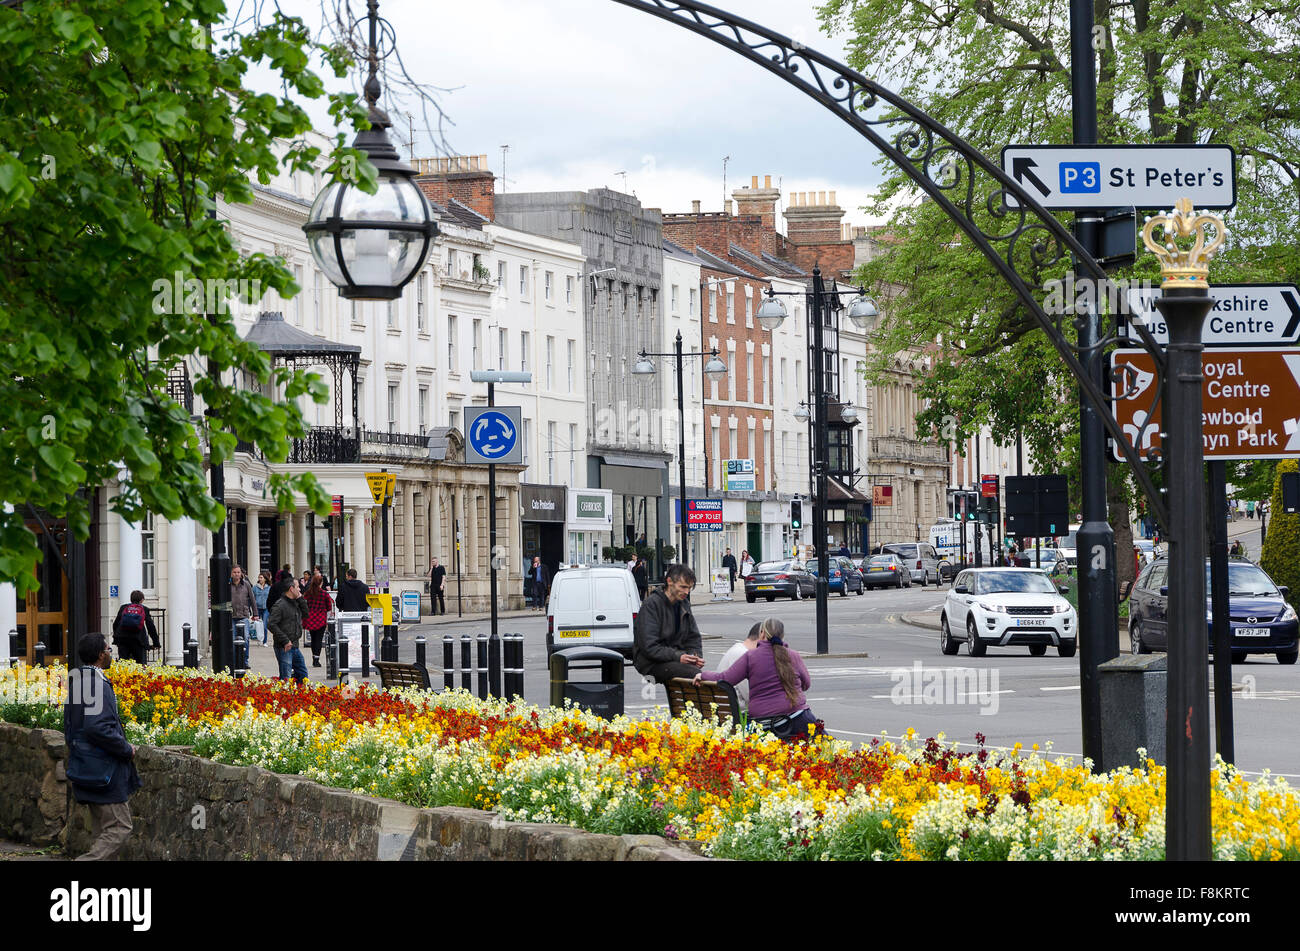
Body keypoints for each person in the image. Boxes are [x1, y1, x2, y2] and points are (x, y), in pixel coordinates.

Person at [64, 632, 142, 860]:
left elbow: (70, 727)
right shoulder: (97, 684)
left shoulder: (78, 681)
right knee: (119, 829)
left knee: (102, 834)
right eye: (108, 650)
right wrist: (126, 749)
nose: (111, 653)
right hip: (104, 771)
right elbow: (97, 727)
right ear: (100, 655)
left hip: (85, 767)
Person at [696, 617, 822, 742]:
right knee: (827, 742)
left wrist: (702, 675)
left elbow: (725, 678)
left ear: (762, 633)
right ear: (782, 636)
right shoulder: (793, 655)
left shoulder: (751, 657)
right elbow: (806, 684)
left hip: (762, 722)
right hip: (796, 718)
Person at [633, 563, 705, 684]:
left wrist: (694, 656)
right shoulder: (652, 604)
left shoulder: (684, 604)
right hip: (651, 663)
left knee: (696, 674)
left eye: (689, 588)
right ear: (669, 581)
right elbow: (649, 646)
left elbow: (693, 638)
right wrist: (678, 657)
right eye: (683, 587)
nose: (687, 592)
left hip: (674, 659)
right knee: (695, 676)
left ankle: (686, 703)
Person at [268, 576, 309, 683]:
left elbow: (306, 613)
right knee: (286, 677)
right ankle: (286, 697)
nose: (300, 589)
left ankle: (300, 697)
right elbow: (271, 624)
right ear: (291, 589)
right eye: (298, 587)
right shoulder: (280, 605)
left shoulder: (296, 602)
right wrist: (285, 640)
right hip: (284, 647)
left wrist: (300, 599)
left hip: (295, 645)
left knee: (303, 674)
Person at [715, 623, 761, 711]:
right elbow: (749, 695)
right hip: (739, 713)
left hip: (726, 708)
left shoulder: (737, 649)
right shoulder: (742, 655)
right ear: (762, 637)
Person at [110, 590, 159, 665]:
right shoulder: (144, 609)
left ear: (131, 599)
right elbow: (151, 626)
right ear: (142, 600)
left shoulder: (124, 607)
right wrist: (156, 643)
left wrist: (116, 639)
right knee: (140, 665)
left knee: (123, 664)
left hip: (123, 640)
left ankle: (123, 676)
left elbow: (115, 624)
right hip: (138, 640)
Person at [302, 574, 333, 667]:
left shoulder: (307, 593)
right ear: (321, 583)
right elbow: (329, 607)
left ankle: (314, 657)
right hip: (320, 619)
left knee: (313, 639)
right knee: (319, 640)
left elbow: (304, 605)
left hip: (310, 619)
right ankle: (316, 658)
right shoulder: (324, 594)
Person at [229, 565, 258, 652]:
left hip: (244, 615)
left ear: (241, 573)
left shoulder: (246, 584)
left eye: (238, 572)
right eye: (234, 572)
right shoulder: (227, 584)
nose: (236, 574)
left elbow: (252, 599)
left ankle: (245, 660)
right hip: (232, 616)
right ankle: (234, 661)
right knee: (234, 639)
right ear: (231, 574)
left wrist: (255, 614)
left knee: (245, 638)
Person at [253, 571, 271, 644]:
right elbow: (252, 598)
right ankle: (259, 639)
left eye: (261, 577)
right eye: (259, 577)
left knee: (264, 625)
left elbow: (271, 598)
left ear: (265, 579)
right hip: (257, 608)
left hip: (266, 608)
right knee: (257, 625)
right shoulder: (255, 588)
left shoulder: (269, 588)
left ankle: (264, 641)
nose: (260, 579)